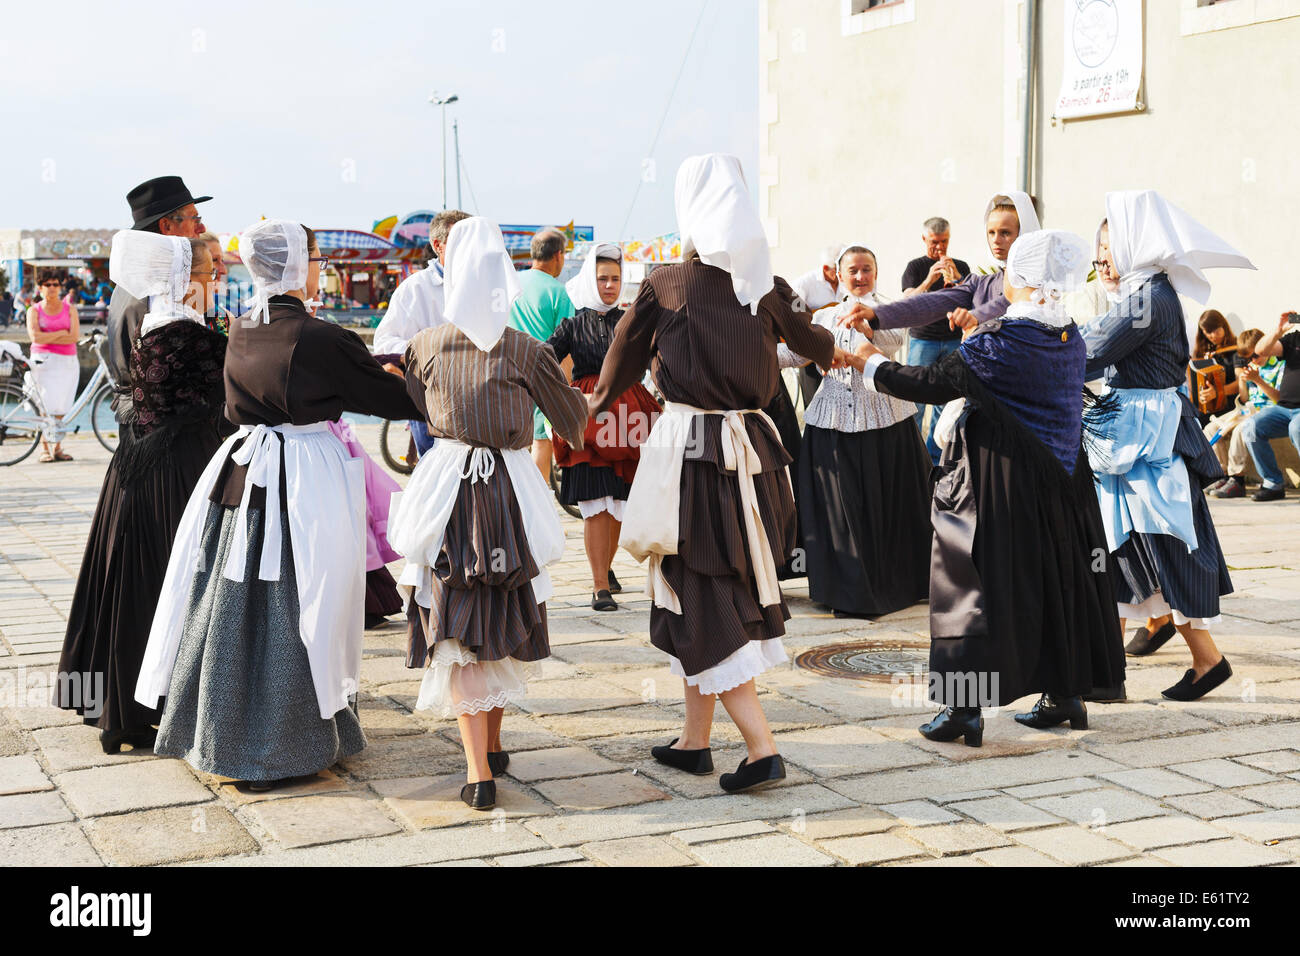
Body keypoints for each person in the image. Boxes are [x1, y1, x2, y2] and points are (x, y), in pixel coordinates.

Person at [134, 220, 420, 791]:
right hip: (302, 477)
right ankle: (280, 746)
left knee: (236, 602)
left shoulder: (241, 329)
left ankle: (225, 732)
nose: (321, 266)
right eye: (315, 256)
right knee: (303, 600)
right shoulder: (320, 336)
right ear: (296, 266)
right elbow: (389, 397)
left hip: (244, 475)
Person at [591, 154, 842, 793]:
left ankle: (761, 749)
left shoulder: (668, 281)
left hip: (694, 454)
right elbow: (814, 346)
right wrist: (842, 343)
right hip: (755, 450)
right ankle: (694, 741)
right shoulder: (765, 285)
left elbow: (620, 354)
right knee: (709, 583)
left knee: (698, 586)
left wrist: (586, 412)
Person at [857, 229, 1125, 746]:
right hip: (1065, 484)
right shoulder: (1068, 336)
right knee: (1057, 582)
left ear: (1019, 277)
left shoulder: (1000, 341)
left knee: (970, 582)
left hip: (997, 481)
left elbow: (928, 383)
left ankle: (962, 711)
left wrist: (867, 361)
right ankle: (1065, 693)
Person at [389, 217, 589, 811]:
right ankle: (488, 753)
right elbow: (571, 421)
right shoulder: (526, 348)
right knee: (499, 612)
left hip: (447, 491)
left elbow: (419, 407)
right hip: (507, 492)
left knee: (457, 619)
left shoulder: (424, 344)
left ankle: (482, 765)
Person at [57, 232, 227, 753]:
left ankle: (126, 706)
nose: (216, 277)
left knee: (132, 580)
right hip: (175, 473)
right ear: (184, 278)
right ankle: (165, 704)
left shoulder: (155, 325)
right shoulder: (190, 336)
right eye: (209, 270)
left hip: (136, 470)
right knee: (171, 581)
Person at [1082, 190, 1254, 699]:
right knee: (1129, 547)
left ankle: (1185, 662)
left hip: (1144, 443)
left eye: (1111, 248)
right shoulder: (1147, 292)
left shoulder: (1145, 299)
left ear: (1138, 242)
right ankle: (1115, 669)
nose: (1104, 260)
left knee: (1150, 546)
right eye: (1099, 252)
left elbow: (1092, 350)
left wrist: (1040, 342)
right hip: (1134, 437)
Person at [782, 245, 930, 618]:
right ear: (840, 274)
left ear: (876, 273)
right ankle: (845, 589)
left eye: (867, 269)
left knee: (889, 505)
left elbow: (896, 341)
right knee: (839, 511)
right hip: (831, 423)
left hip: (886, 421)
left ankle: (902, 582)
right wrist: (759, 347)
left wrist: (869, 326)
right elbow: (799, 353)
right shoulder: (827, 315)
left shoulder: (889, 311)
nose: (860, 276)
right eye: (853, 270)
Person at [547, 244, 660, 611]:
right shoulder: (572, 324)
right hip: (590, 418)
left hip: (629, 418)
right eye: (603, 278)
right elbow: (543, 358)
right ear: (589, 280)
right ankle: (599, 586)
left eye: (615, 278)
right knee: (596, 502)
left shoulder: (633, 320)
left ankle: (605, 571)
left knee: (619, 501)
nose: (610, 285)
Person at [107, 176, 212, 427]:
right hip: (160, 431)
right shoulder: (160, 295)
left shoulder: (131, 284)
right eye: (195, 218)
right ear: (166, 226)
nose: (201, 227)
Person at [373, 209, 471, 458]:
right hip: (431, 403)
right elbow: (384, 342)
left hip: (478, 402)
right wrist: (428, 352)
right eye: (460, 241)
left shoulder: (484, 284)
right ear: (438, 245)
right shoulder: (414, 290)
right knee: (435, 475)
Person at [899, 216, 973, 464]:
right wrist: (930, 279)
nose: (940, 248)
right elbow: (908, 301)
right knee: (915, 400)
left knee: (948, 400)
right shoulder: (915, 267)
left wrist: (957, 279)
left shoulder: (960, 265)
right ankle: (912, 457)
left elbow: (972, 301)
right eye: (934, 242)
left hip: (953, 340)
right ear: (924, 239)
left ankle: (935, 458)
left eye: (944, 242)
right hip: (924, 341)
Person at [508, 227, 574, 477]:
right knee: (542, 442)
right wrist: (566, 386)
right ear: (559, 255)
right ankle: (536, 506)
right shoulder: (559, 292)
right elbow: (566, 348)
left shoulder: (511, 283)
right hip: (540, 376)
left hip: (506, 371)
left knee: (512, 447)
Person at [1207, 329, 1284, 499]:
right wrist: (1243, 381)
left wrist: (1258, 380)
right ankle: (1223, 474)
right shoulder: (1252, 366)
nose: (1252, 361)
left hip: (1268, 410)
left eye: (1254, 356)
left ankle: (1237, 479)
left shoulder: (1278, 364)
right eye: (1247, 358)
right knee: (1211, 428)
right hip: (1248, 408)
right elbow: (1244, 398)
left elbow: (1279, 399)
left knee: (1241, 429)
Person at [1240, 311, 1300, 501]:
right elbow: (1262, 350)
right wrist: (1278, 330)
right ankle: (1273, 483)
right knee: (1251, 426)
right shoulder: (1294, 340)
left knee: (1297, 427)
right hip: (1283, 409)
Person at [25, 268, 80, 462]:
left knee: (62, 404)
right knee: (44, 405)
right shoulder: (34, 310)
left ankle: (57, 447)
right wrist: (61, 334)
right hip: (43, 362)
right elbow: (34, 336)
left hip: (67, 362)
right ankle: (44, 448)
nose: (52, 288)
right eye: (47, 284)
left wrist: (49, 336)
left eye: (55, 284)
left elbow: (74, 336)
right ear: (40, 287)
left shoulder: (70, 309)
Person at [788, 244, 844, 407]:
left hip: (841, 352)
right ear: (827, 268)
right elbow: (793, 314)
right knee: (814, 403)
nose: (843, 273)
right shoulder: (804, 283)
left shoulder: (847, 281)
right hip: (811, 352)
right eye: (839, 269)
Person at [1189, 309, 1242, 425]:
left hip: (1231, 404)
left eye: (1216, 330)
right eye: (1208, 332)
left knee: (1197, 422)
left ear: (1224, 326)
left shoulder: (1237, 349)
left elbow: (1240, 383)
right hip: (1207, 406)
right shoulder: (1202, 353)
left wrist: (1218, 392)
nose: (1213, 335)